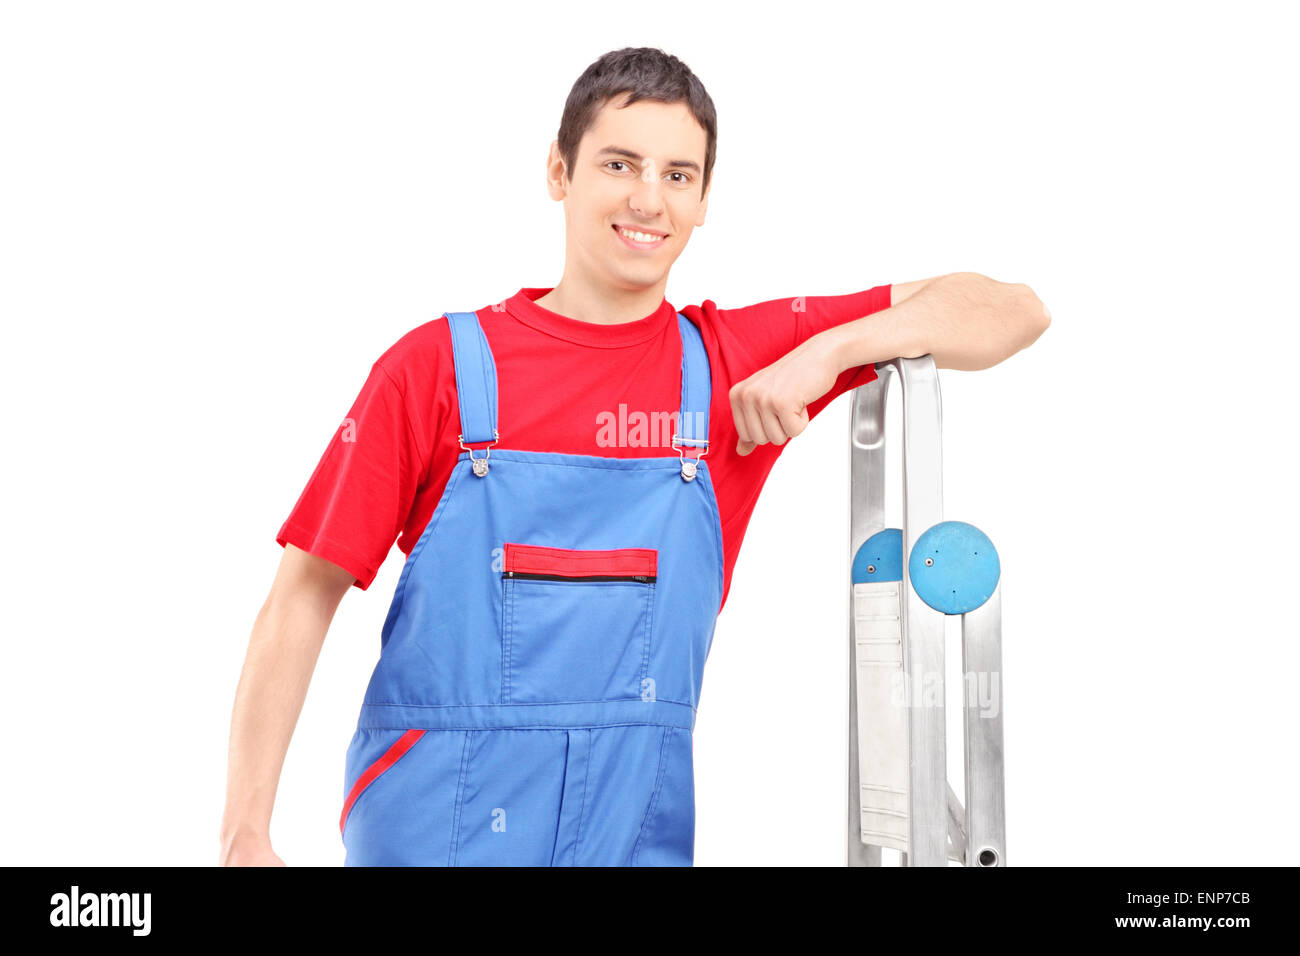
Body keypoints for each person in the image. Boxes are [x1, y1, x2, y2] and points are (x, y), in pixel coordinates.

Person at [219, 46, 1050, 867]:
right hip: (437, 818)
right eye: (620, 164)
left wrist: (831, 351)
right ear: (559, 170)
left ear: (702, 200)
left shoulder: (729, 363)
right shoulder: (435, 369)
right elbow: (303, 592)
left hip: (632, 825)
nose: (648, 200)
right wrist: (244, 832)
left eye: (678, 175)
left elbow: (1010, 311)